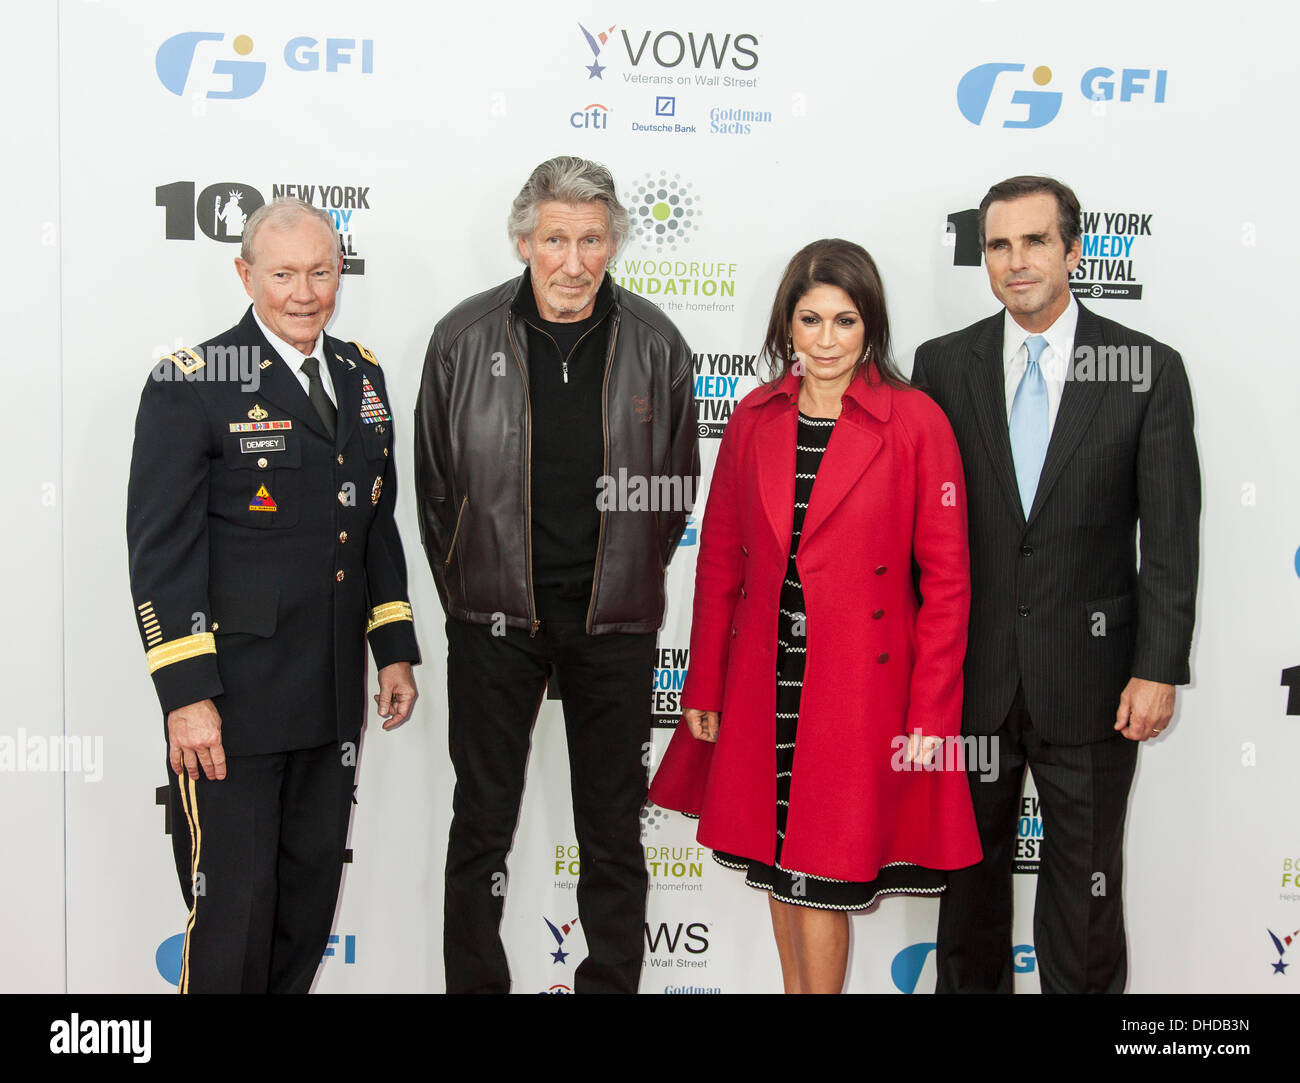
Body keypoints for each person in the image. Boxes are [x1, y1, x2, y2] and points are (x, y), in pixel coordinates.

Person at [649, 239, 981, 994]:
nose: (827, 341)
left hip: (863, 693)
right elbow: (720, 565)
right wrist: (703, 685)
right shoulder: (755, 418)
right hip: (767, 680)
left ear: (871, 328)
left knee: (822, 872)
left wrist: (931, 714)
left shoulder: (916, 421)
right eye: (810, 320)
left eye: (845, 321)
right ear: (786, 326)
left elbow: (949, 585)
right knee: (779, 865)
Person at [414, 156, 698, 994]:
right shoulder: (462, 339)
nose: (573, 262)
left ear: (613, 243)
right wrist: (477, 587)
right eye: (554, 240)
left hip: (613, 626)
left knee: (612, 828)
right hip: (494, 624)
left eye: (591, 240)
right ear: (522, 240)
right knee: (481, 829)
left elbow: (675, 488)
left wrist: (626, 573)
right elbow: (436, 491)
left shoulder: (656, 343)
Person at [912, 176, 1200, 993]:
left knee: (1083, 903)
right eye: (999, 245)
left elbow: (1172, 537)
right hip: (972, 681)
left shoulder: (1146, 369)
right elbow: (919, 536)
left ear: (1075, 250)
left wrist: (1158, 665)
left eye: (1036, 241)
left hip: (1098, 683)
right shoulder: (944, 364)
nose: (1016, 261)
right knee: (967, 896)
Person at [126, 197, 420, 994]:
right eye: (283, 273)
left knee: (305, 912)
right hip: (233, 708)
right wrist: (186, 696)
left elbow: (373, 522)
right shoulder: (192, 382)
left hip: (329, 700)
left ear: (339, 274)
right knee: (233, 922)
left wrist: (392, 647)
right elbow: (161, 556)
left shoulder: (362, 375)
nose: (303, 292)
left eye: (320, 272)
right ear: (244, 274)